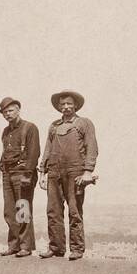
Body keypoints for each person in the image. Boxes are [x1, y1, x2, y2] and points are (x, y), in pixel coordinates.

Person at [40, 90, 98, 260]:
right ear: (58, 107)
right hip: (54, 172)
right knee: (53, 211)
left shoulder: (84, 123)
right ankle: (56, 247)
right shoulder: (54, 126)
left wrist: (88, 172)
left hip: (75, 172)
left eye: (69, 104)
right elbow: (47, 150)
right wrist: (43, 173)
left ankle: (77, 248)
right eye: (62, 104)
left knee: (74, 211)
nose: (66, 107)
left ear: (75, 106)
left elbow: (92, 148)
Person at [0, 97, 40, 257]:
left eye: (10, 110)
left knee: (23, 210)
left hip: (22, 173)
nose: (7, 114)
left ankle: (25, 246)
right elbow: (4, 153)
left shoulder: (30, 128)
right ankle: (13, 245)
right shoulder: (6, 131)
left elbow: (34, 153)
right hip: (8, 173)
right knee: (9, 211)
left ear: (18, 110)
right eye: (4, 112)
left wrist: (28, 175)